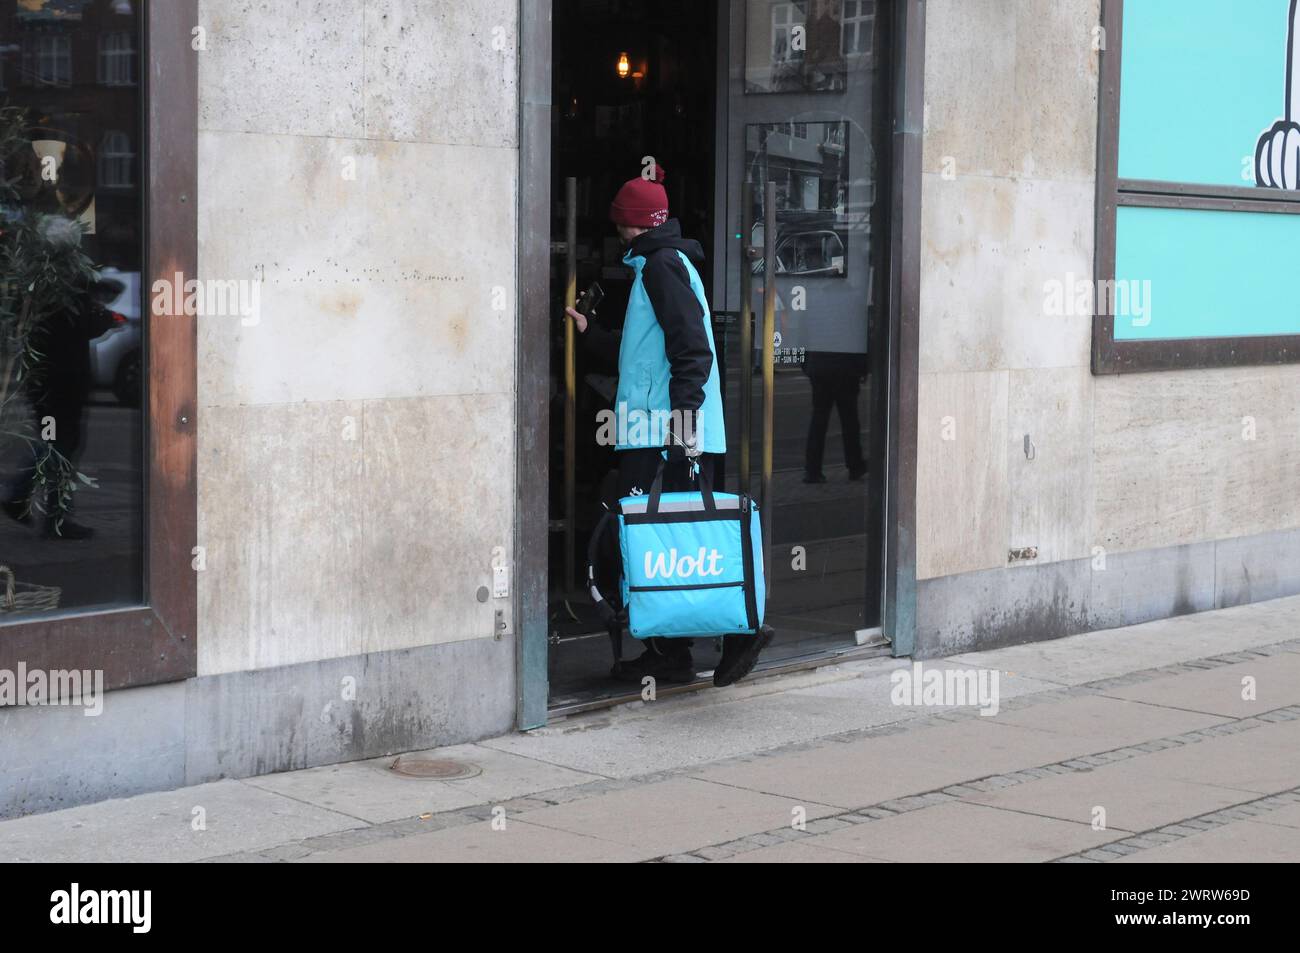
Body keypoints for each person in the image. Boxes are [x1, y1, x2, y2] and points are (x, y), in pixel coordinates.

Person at [566, 163, 772, 688]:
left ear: (629, 224)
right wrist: (595, 334)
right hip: (655, 430)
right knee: (667, 543)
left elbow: (692, 352)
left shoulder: (662, 268)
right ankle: (671, 651)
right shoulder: (657, 267)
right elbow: (647, 356)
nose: (615, 234)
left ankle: (738, 631)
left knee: (669, 542)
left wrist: (682, 434)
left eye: (618, 224)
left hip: (666, 435)